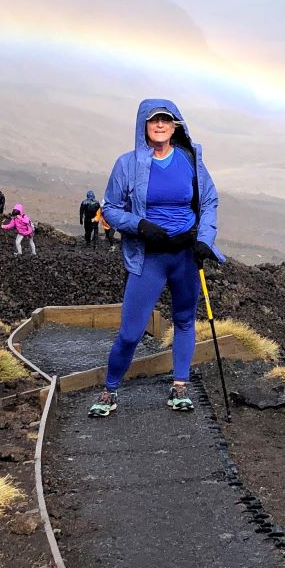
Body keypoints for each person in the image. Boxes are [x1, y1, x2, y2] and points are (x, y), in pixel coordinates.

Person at [88, 100, 222, 417]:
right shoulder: (127, 164)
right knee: (131, 331)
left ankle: (180, 386)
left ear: (176, 125)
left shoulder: (191, 161)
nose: (160, 125)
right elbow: (110, 209)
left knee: (185, 321)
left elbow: (210, 202)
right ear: (143, 126)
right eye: (153, 121)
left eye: (166, 120)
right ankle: (109, 390)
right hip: (149, 256)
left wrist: (204, 240)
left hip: (185, 256)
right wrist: (141, 226)